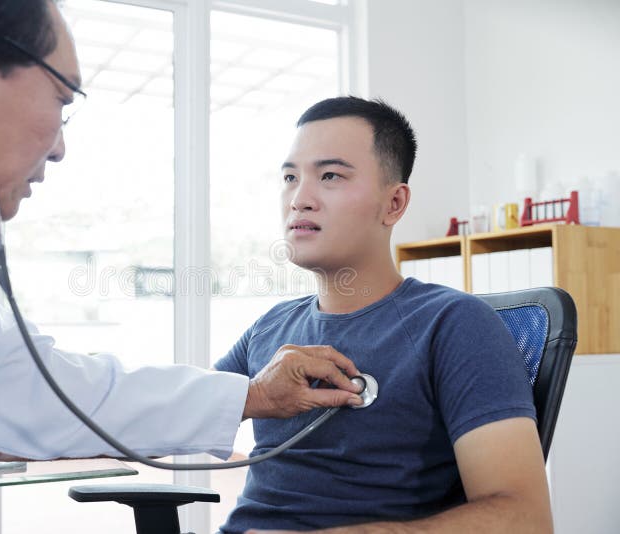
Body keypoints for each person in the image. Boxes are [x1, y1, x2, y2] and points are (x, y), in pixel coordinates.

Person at [0, 2, 363, 532]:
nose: (58, 149)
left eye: (332, 176)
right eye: (61, 98)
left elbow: (47, 389)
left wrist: (258, 396)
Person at [212, 96, 553, 533]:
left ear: (393, 204)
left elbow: (525, 518)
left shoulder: (454, 325)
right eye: (289, 177)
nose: (299, 199)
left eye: (330, 175)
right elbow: (186, 414)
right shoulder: (270, 328)